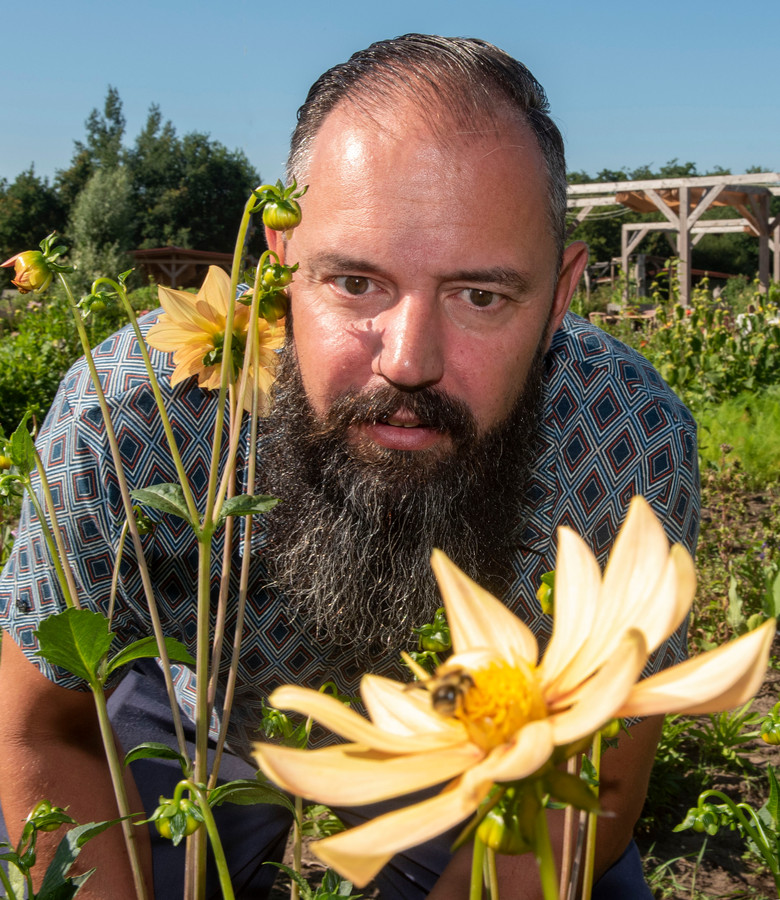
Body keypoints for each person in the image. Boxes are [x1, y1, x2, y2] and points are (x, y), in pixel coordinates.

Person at [0, 34, 699, 899]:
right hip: (202, 712)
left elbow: (596, 780)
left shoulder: (622, 440)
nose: (407, 361)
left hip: (476, 738)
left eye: (480, 295)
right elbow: (42, 730)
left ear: (559, 299)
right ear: (283, 265)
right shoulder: (136, 414)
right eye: (357, 283)